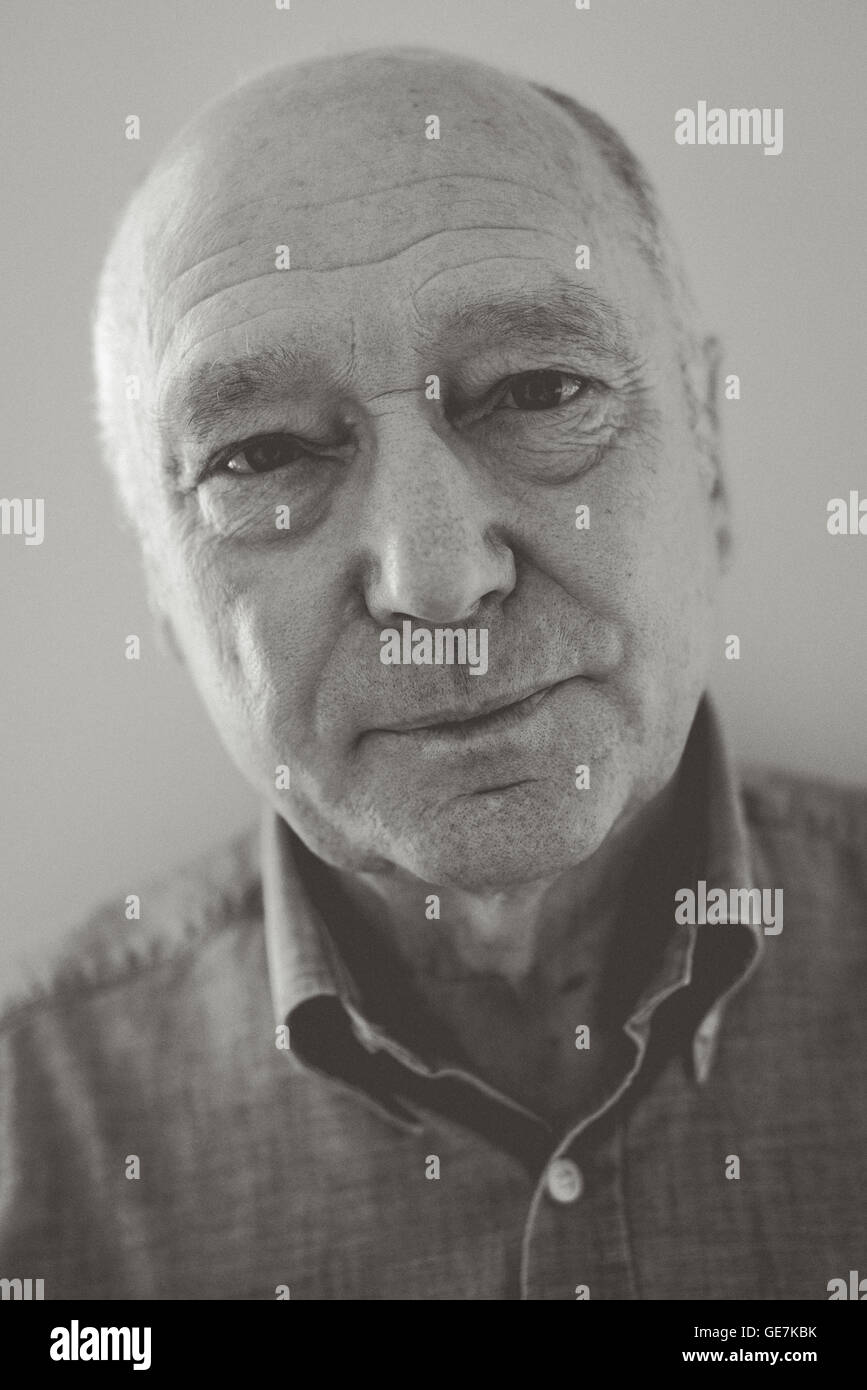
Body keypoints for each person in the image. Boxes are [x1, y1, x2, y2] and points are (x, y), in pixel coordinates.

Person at [1, 48, 864, 1302]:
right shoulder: (34, 1146)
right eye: (264, 452)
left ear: (711, 451)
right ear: (166, 597)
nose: (438, 579)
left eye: (537, 388)